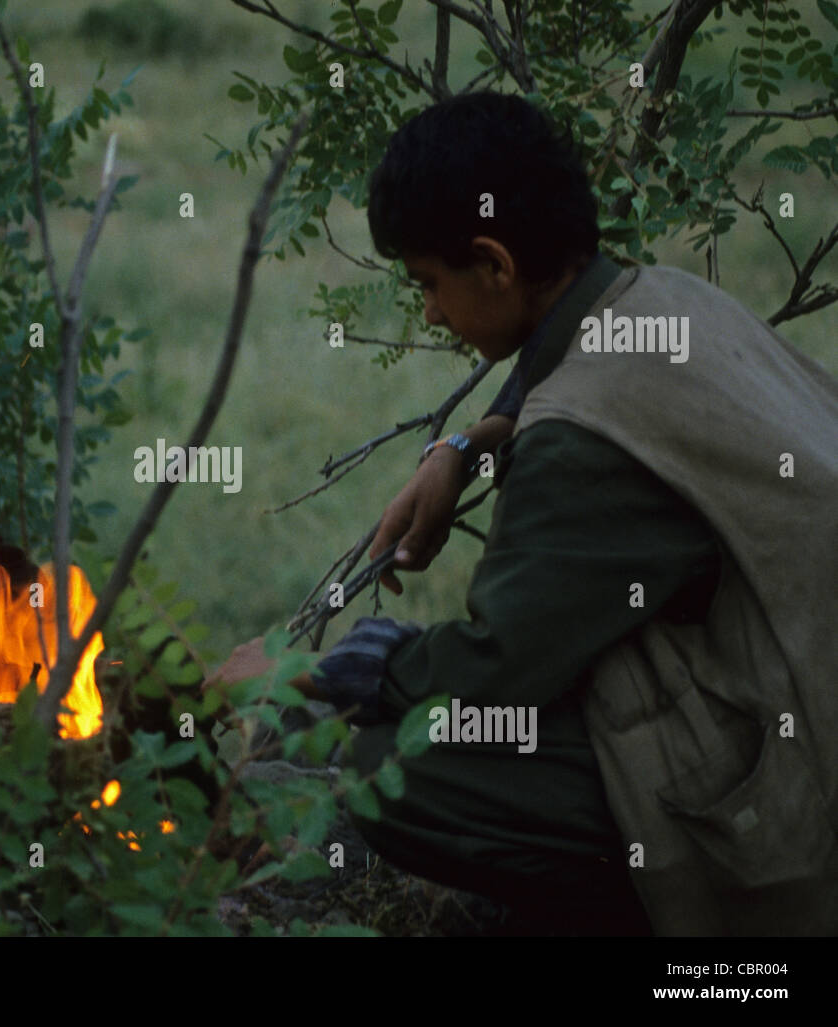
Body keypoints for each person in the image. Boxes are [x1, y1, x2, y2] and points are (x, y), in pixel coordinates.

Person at [207, 92, 838, 936]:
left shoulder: (578, 448)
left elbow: (487, 677)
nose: (428, 311)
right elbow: (578, 369)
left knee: (397, 765)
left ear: (496, 265)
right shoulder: (669, 300)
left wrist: (310, 673)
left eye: (430, 282)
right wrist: (467, 445)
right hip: (797, 687)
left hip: (801, 789)